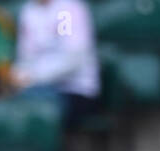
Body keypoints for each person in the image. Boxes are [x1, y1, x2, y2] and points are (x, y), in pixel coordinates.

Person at [11, 0, 99, 128]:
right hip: (37, 88)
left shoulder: (66, 10)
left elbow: (71, 61)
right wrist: (17, 75)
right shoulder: (28, 10)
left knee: (36, 107)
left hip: (73, 90)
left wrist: (32, 77)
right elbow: (25, 57)